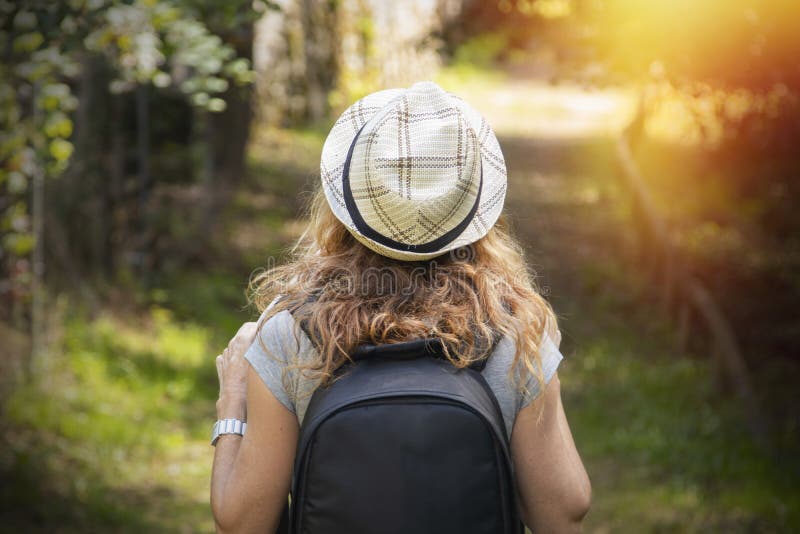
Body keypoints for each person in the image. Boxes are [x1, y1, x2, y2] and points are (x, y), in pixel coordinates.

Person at [210, 81, 591, 533]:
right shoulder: (509, 328)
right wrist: (541, 365)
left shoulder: (291, 332)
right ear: (473, 213)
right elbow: (562, 512)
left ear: (344, 205)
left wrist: (232, 398)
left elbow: (241, 523)